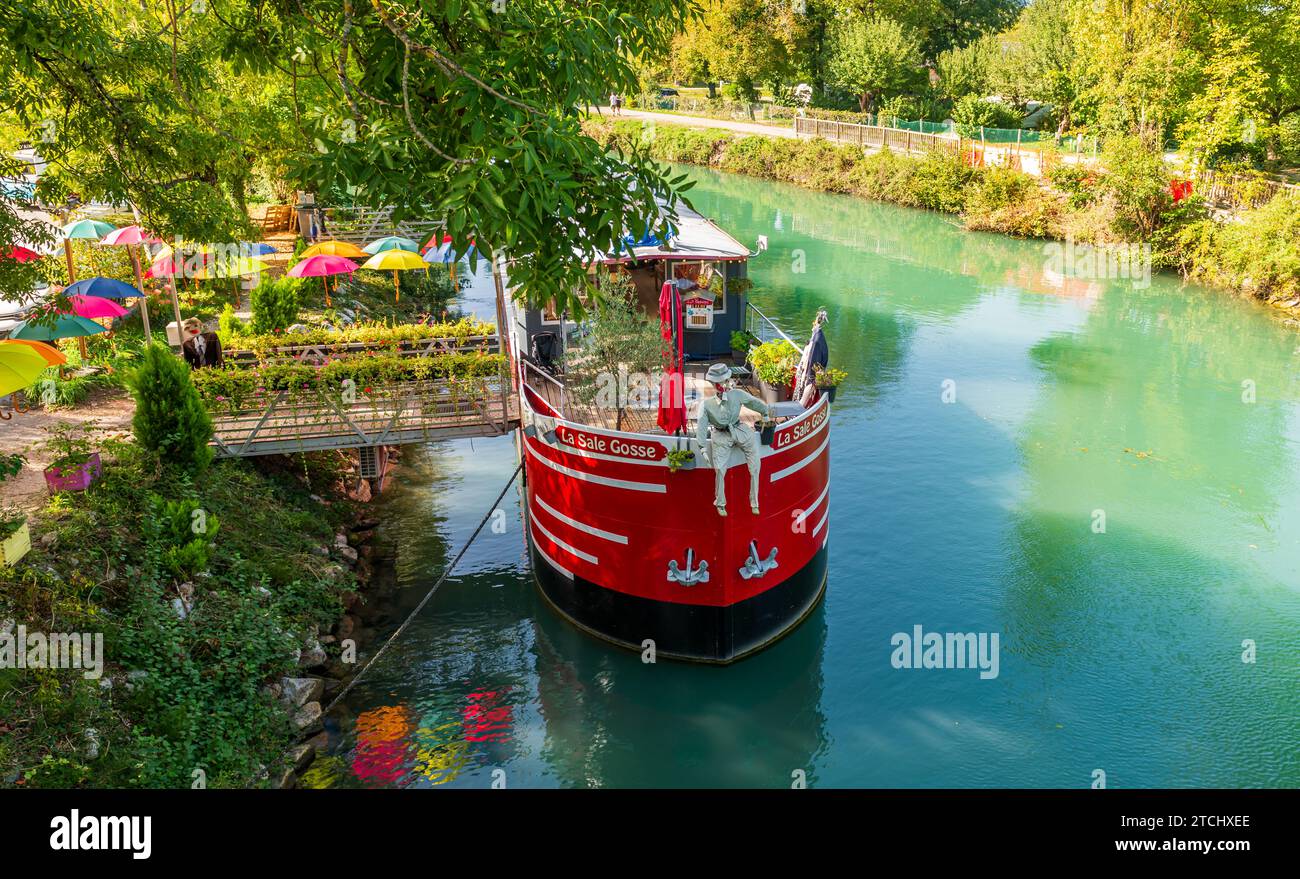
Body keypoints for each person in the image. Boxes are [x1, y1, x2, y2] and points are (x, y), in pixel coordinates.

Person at [696, 362, 769, 517]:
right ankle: (720, 503)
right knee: (720, 469)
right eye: (718, 382)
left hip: (739, 428)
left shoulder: (737, 394)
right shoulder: (706, 405)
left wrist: (765, 412)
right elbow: (701, 427)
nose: (722, 385)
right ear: (714, 384)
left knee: (755, 464)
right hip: (721, 434)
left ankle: (754, 502)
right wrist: (702, 447)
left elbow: (754, 403)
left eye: (723, 381)